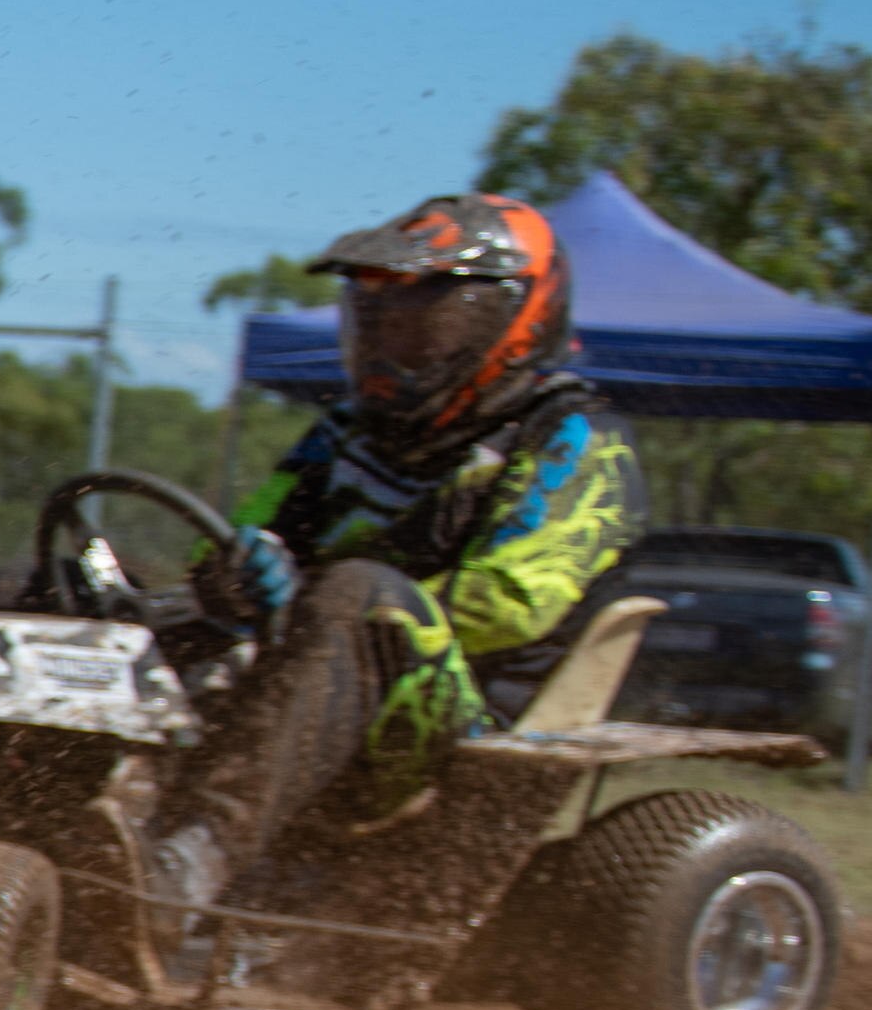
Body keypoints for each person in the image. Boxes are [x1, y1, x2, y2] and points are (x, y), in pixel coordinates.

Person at [154, 192, 641, 929]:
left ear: (515, 321)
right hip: (303, 675)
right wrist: (238, 571)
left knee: (357, 594)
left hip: (463, 728)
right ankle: (0, 818)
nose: (388, 345)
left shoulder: (572, 437)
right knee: (69, 586)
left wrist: (313, 605)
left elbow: (511, 602)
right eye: (375, 321)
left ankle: (193, 865)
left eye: (420, 325)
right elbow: (232, 537)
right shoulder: (346, 433)